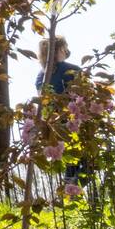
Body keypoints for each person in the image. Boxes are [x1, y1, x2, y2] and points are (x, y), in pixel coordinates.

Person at [35, 35, 86, 187]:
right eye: (65, 48)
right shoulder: (72, 70)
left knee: (71, 161)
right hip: (73, 119)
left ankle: (69, 193)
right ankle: (72, 193)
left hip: (53, 124)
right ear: (60, 49)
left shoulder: (40, 76)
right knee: (88, 161)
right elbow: (83, 96)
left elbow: (44, 102)